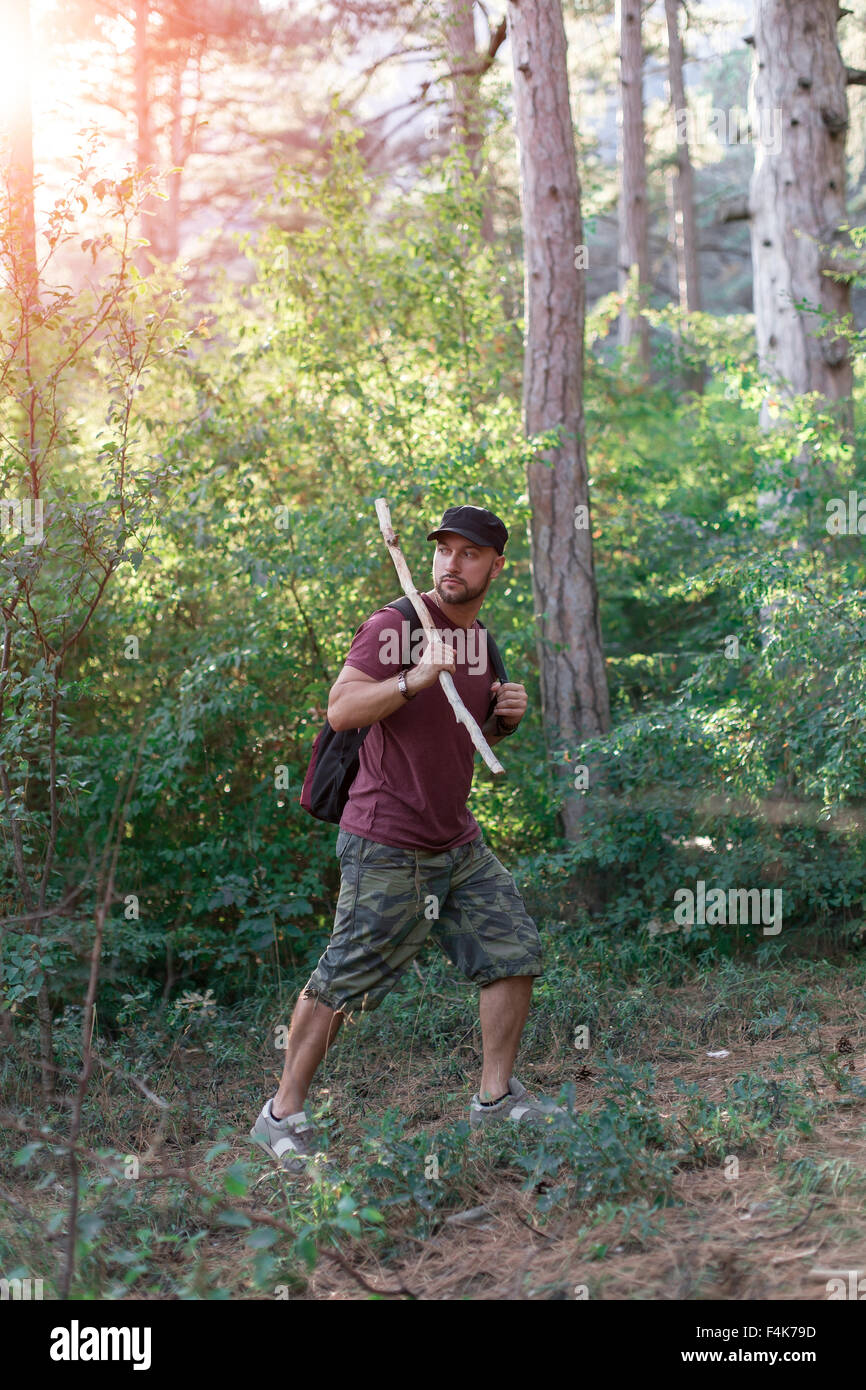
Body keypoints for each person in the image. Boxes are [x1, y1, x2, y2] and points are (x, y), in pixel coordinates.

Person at [251, 504, 564, 1170]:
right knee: (345, 979)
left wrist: (506, 719)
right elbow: (342, 709)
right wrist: (413, 676)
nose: (453, 563)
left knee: (512, 950)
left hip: (456, 840)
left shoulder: (483, 641)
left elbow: (462, 734)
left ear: (494, 566)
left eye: (469, 553)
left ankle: (495, 1100)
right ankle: (281, 1115)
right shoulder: (395, 626)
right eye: (444, 550)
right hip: (386, 839)